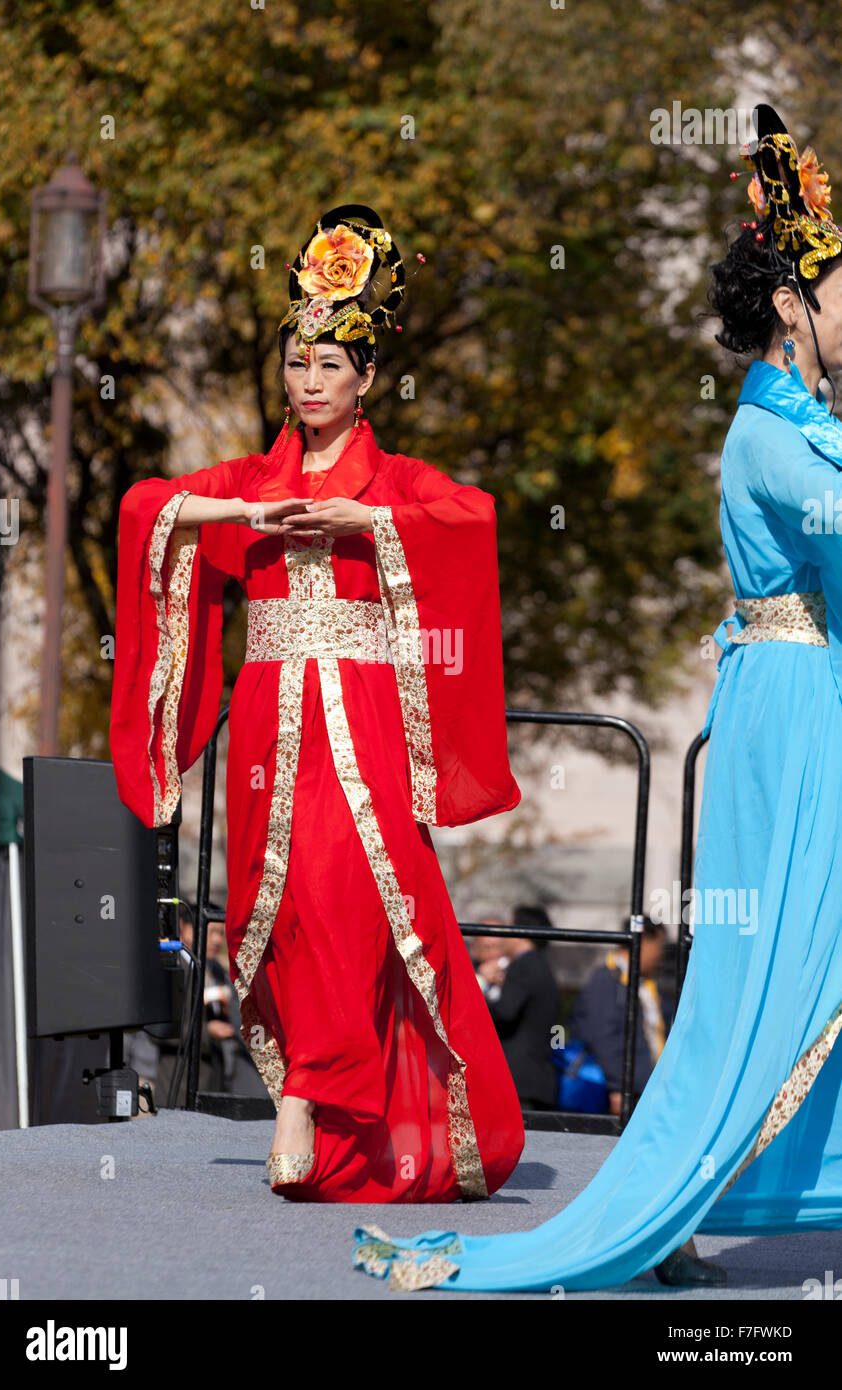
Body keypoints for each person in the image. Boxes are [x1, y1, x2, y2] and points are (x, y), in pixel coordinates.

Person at [351, 105, 842, 1290]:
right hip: (792, 709)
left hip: (808, 695)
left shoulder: (810, 426)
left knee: (803, 970)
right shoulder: (767, 441)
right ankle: (658, 1207)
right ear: (792, 304)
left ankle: (716, 1197)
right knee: (757, 979)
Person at [110, 205, 524, 1201]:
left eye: (328, 367)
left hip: (361, 717)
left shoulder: (397, 480)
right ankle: (321, 1098)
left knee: (351, 895)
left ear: (366, 378)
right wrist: (246, 511)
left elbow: (469, 522)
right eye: (297, 365)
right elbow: (143, 507)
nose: (307, 383)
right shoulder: (253, 477)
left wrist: (362, 519)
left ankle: (304, 1097)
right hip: (267, 716)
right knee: (274, 901)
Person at [569, 919, 672, 1116]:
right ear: (645, 942)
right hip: (624, 1090)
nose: (660, 956)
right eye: (660, 947)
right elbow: (603, 1037)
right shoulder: (607, 981)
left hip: (643, 1086)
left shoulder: (644, 984)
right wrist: (617, 1086)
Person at [486, 905, 560, 1111]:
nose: (504, 937)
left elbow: (504, 1011)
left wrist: (479, 998)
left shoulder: (523, 966)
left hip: (520, 1083)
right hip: (535, 1080)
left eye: (509, 928)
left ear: (520, 933)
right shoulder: (542, 967)